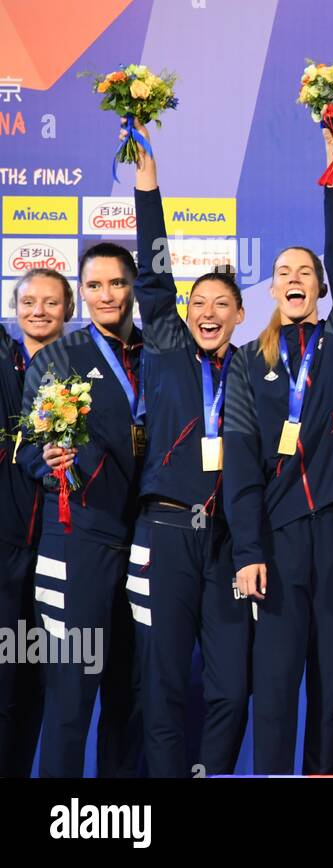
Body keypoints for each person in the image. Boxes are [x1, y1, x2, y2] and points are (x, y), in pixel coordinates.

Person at [222, 113, 333, 774]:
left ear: (321, 283)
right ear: (273, 287)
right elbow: (243, 466)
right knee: (275, 690)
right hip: (277, 542)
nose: (293, 277)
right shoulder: (249, 360)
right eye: (282, 271)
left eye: (304, 268)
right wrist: (249, 548)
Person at [123, 119, 251, 777]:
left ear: (238, 315)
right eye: (197, 301)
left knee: (231, 687)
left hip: (228, 542)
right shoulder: (168, 345)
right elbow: (153, 270)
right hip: (167, 530)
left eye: (220, 304)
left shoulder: (256, 370)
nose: (207, 311)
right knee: (164, 684)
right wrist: (149, 183)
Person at [21, 241, 146, 777]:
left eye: (116, 283)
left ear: (133, 287)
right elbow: (27, 449)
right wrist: (46, 460)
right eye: (94, 285)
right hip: (78, 537)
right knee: (71, 697)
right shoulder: (57, 357)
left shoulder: (160, 352)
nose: (106, 295)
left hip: (146, 540)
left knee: (130, 697)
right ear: (82, 294)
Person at [0, 268, 71, 775]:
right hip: (5, 550)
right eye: (29, 301)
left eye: (50, 302)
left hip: (60, 548)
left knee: (42, 685)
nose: (39, 311)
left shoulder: (82, 369)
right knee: (5, 681)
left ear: (68, 309)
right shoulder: (4, 361)